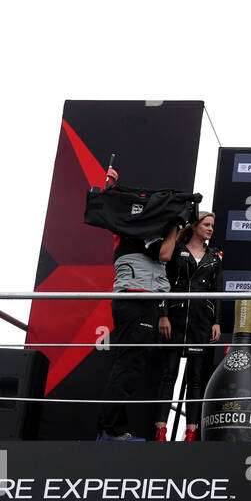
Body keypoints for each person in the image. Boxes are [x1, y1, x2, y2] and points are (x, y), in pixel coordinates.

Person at [98, 181, 181, 442]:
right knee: (127, 368)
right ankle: (110, 431)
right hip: (136, 303)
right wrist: (175, 225)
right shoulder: (139, 231)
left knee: (128, 367)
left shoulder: (134, 229)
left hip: (141, 303)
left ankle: (114, 429)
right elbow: (166, 253)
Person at [156, 211, 224, 442]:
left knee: (196, 378)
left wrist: (216, 321)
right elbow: (163, 282)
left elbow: (217, 292)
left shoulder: (214, 257)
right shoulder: (176, 250)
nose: (210, 229)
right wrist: (163, 314)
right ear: (194, 226)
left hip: (201, 321)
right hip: (175, 317)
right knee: (168, 375)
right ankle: (161, 430)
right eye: (206, 224)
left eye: (212, 226)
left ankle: (191, 432)